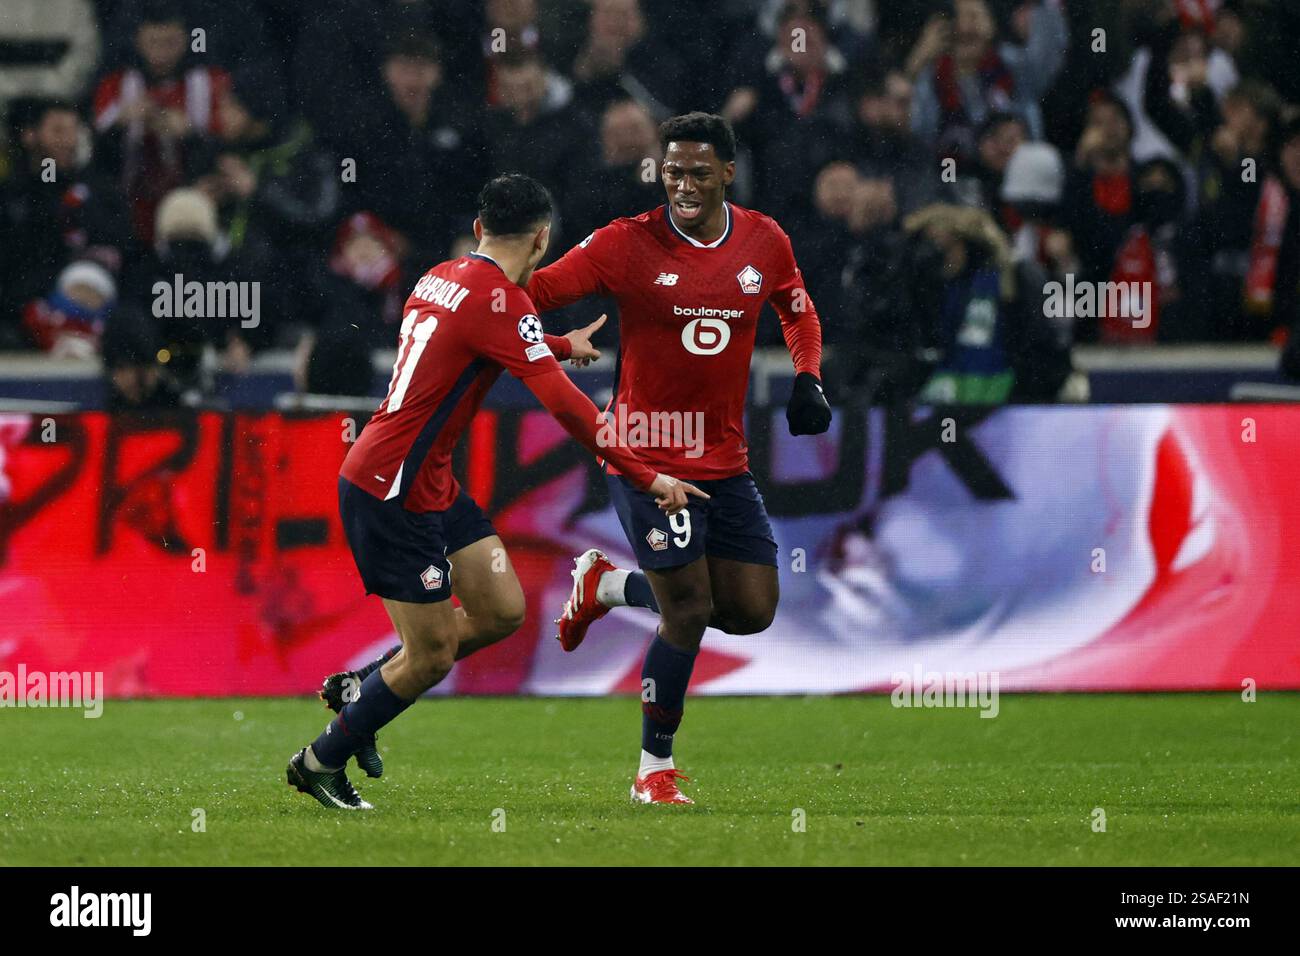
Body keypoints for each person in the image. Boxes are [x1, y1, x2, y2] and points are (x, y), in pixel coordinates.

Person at [287, 174, 705, 810]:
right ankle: (319, 760)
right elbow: (565, 406)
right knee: (431, 657)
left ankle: (364, 689)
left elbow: (470, 345)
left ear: (481, 229)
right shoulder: (500, 301)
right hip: (390, 487)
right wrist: (646, 474)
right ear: (542, 240)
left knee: (502, 610)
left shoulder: (443, 275)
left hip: (425, 479)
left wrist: (561, 344)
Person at [531, 112, 830, 804]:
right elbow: (528, 296)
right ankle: (652, 771)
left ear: (728, 173)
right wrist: (550, 344)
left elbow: (798, 308)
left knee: (752, 610)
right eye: (672, 172)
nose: (684, 186)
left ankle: (606, 586)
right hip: (643, 453)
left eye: (698, 172)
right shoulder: (624, 244)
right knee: (689, 610)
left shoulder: (765, 239)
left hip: (723, 460)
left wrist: (809, 375)